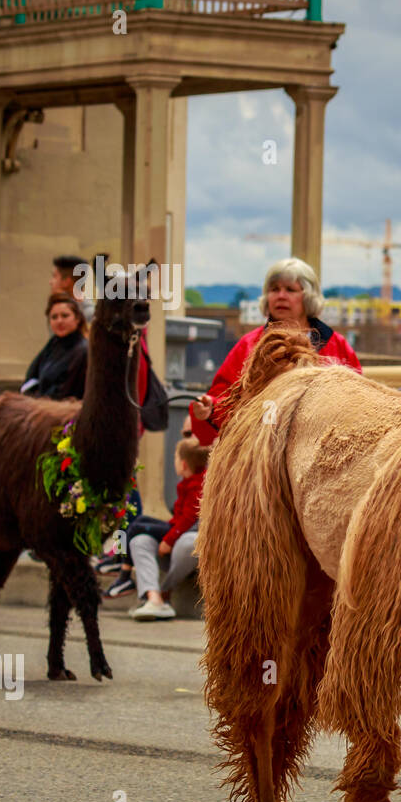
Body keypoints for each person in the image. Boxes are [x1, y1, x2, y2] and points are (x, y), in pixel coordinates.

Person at [190, 258, 361, 444]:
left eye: (290, 289)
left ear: (309, 296)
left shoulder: (337, 346)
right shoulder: (248, 345)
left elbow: (357, 404)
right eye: (274, 289)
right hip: (261, 453)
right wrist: (210, 410)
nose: (281, 296)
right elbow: (223, 400)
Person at [120, 437, 208, 620]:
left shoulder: (199, 484)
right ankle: (152, 597)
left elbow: (189, 518)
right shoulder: (184, 483)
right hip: (172, 531)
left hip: (184, 535)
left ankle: (126, 573)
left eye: (175, 458)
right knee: (136, 535)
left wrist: (169, 539)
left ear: (183, 464)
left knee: (134, 527)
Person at [22, 293, 88, 401]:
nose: (59, 321)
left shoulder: (82, 351)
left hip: (65, 412)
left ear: (77, 319)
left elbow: (65, 392)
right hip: (40, 406)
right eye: (54, 317)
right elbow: (31, 377)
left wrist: (37, 400)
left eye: (65, 316)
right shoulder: (53, 343)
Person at [50, 254, 92, 321]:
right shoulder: (58, 312)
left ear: (66, 282)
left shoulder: (89, 316)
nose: (50, 282)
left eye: (54, 276)